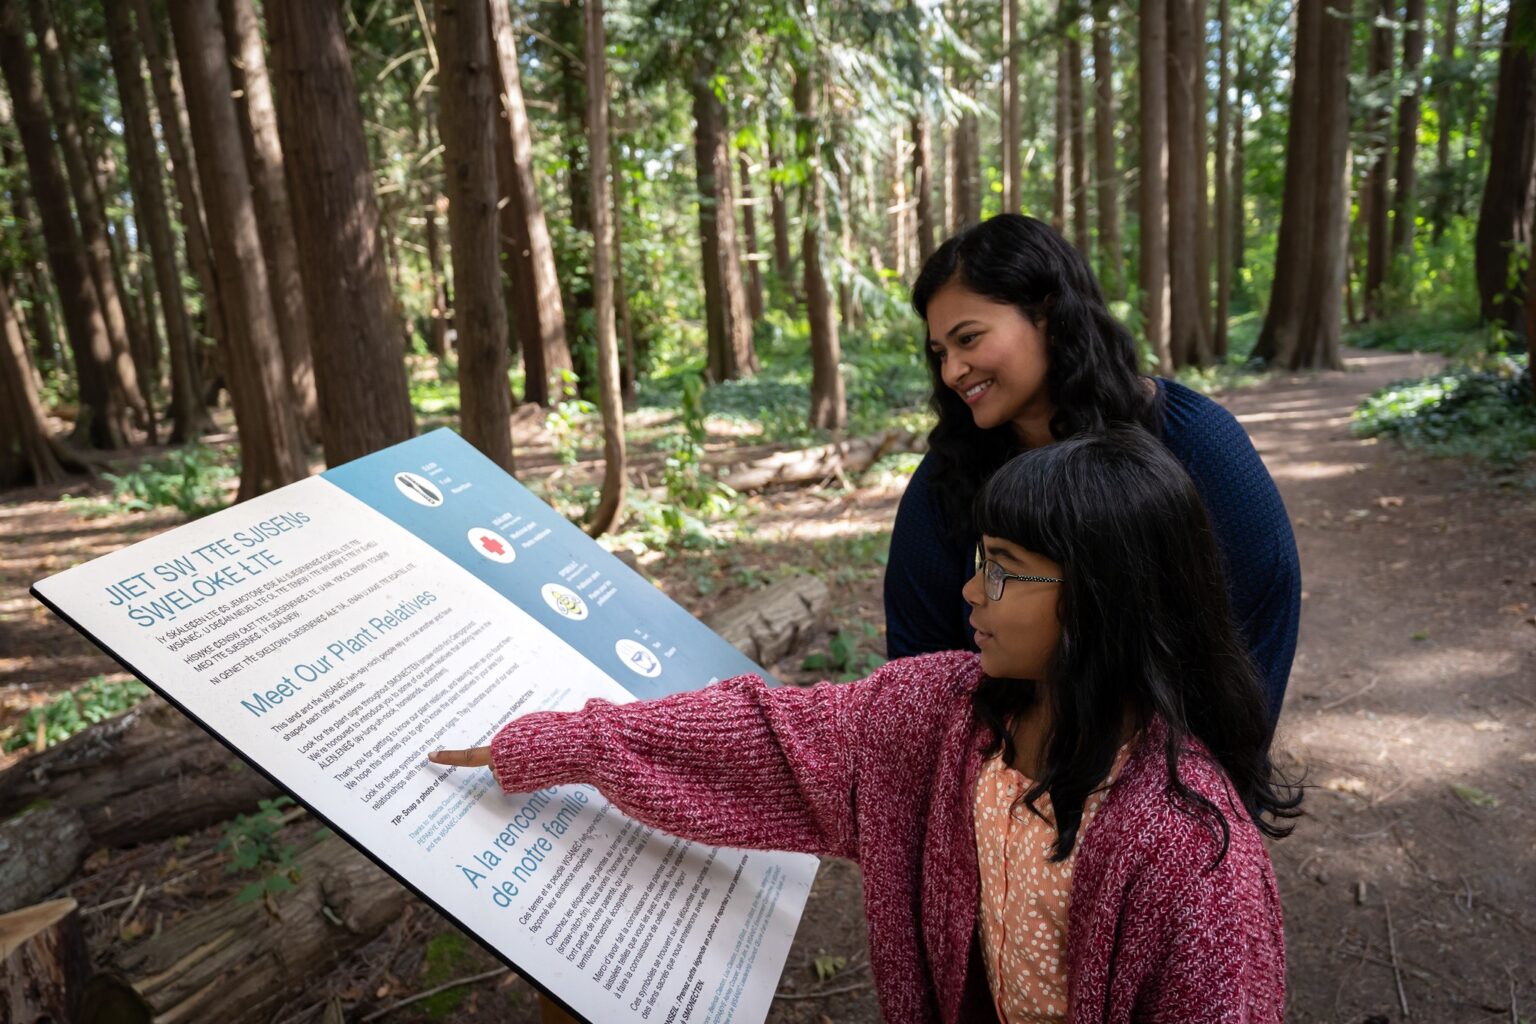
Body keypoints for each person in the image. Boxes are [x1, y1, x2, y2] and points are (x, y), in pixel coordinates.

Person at [430, 426, 1301, 1024]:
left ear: (1101, 601)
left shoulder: (1195, 853)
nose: (969, 593)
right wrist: (571, 743)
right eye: (977, 563)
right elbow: (762, 734)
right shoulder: (934, 717)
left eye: (1003, 573)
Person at [886, 214, 1299, 725]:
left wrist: (1200, 784)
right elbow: (917, 662)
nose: (951, 371)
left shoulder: (1195, 441)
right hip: (994, 771)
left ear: (1049, 314)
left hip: (1176, 766)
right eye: (940, 352)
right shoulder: (946, 476)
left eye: (968, 339)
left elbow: (1258, 621)